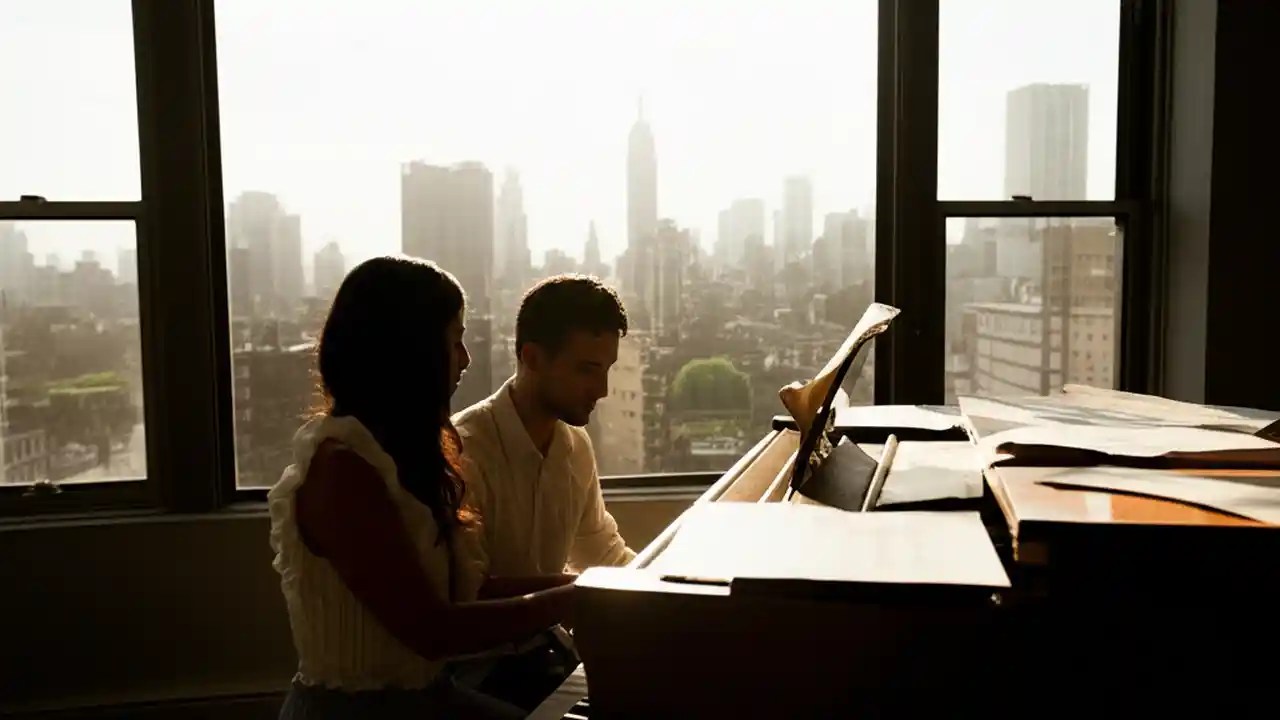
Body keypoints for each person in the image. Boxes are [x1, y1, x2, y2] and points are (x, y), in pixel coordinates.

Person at [268, 256, 576, 720]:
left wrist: (581, 584)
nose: (466, 360)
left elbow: (464, 591)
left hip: (423, 696)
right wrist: (574, 601)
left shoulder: (394, 456)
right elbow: (432, 627)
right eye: (455, 342)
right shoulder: (341, 471)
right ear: (408, 352)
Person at [450, 274, 635, 708]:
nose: (603, 390)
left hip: (542, 657)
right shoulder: (464, 449)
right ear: (531, 357)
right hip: (473, 672)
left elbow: (602, 549)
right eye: (588, 369)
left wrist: (668, 592)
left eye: (607, 370)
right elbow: (465, 593)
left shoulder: (574, 447)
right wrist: (576, 590)